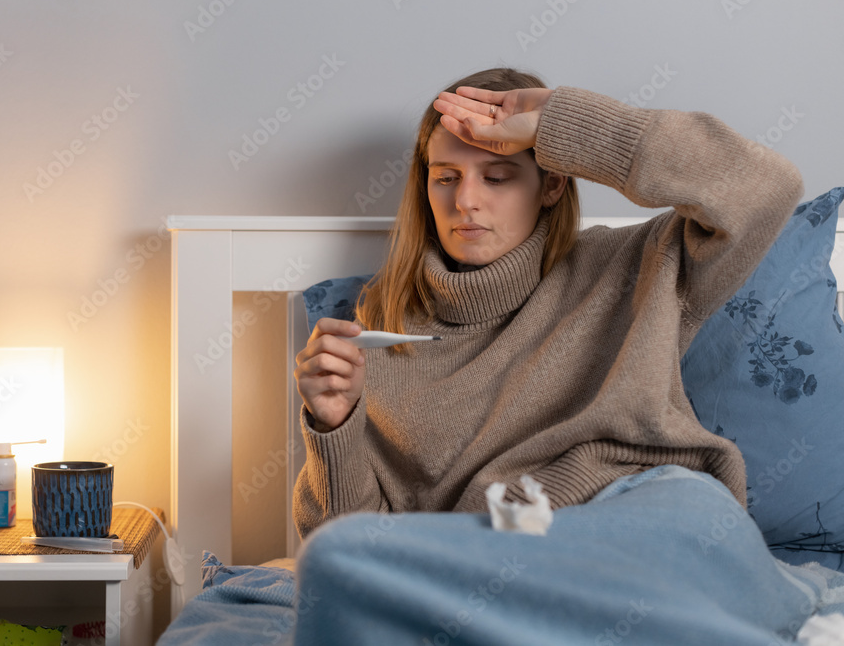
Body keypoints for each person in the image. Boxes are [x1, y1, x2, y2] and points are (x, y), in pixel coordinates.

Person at [291, 67, 803, 540]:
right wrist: (334, 424)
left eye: (496, 176)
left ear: (551, 184)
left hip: (646, 519)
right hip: (502, 554)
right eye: (446, 177)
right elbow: (357, 547)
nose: (466, 200)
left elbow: (766, 188)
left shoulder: (637, 266)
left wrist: (561, 119)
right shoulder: (380, 331)